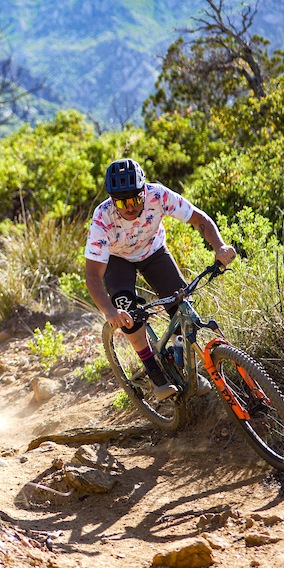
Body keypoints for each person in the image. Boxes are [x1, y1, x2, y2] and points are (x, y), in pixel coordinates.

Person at [84, 158, 237, 400]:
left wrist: (219, 247)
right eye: (122, 203)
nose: (129, 207)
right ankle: (153, 371)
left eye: (135, 199)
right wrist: (109, 312)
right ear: (112, 200)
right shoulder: (102, 218)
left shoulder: (158, 195)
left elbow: (201, 220)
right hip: (118, 258)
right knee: (127, 310)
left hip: (153, 251)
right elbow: (92, 276)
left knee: (181, 304)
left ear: (144, 192)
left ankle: (184, 365)